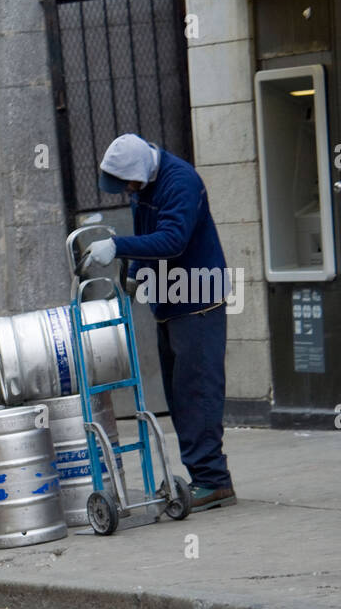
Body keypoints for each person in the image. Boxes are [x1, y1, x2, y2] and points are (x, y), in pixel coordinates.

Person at [80, 133, 235, 513]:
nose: (128, 191)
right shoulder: (143, 184)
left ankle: (213, 481)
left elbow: (172, 240)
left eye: (129, 184)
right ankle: (204, 475)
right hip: (170, 298)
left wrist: (119, 248)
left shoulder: (181, 182)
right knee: (179, 394)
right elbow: (149, 229)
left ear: (139, 172)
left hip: (197, 298)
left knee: (197, 392)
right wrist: (135, 272)